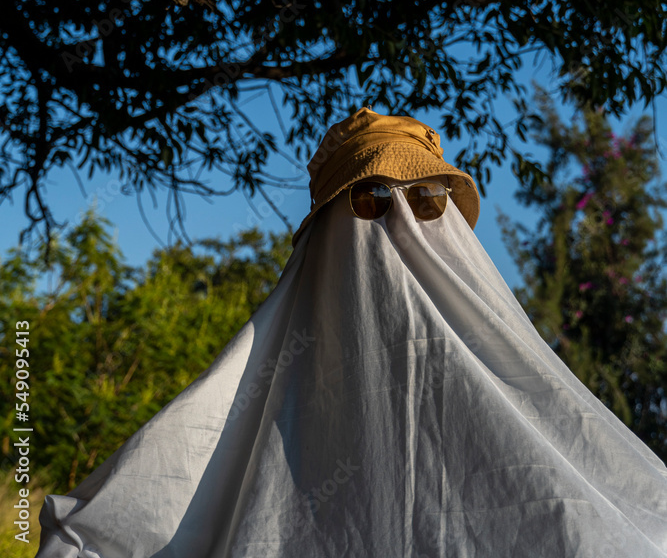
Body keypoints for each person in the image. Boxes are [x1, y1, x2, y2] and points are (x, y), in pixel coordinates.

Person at [37, 108, 667, 557]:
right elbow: (122, 520)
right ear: (329, 229)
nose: (400, 220)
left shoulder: (514, 378)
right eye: (368, 199)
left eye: (424, 201)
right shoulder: (247, 387)